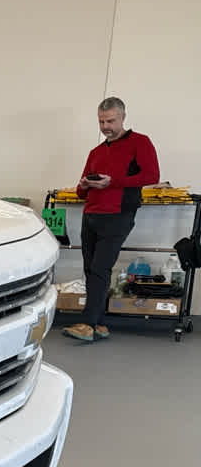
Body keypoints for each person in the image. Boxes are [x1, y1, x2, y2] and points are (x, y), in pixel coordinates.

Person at [62, 96, 159, 342]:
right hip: (91, 215)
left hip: (118, 215)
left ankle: (87, 323)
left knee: (99, 269)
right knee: (90, 269)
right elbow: (81, 192)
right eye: (101, 121)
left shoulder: (140, 142)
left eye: (111, 121)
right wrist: (84, 185)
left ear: (123, 118)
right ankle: (101, 324)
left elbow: (152, 175)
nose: (106, 126)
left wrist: (112, 182)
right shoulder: (95, 151)